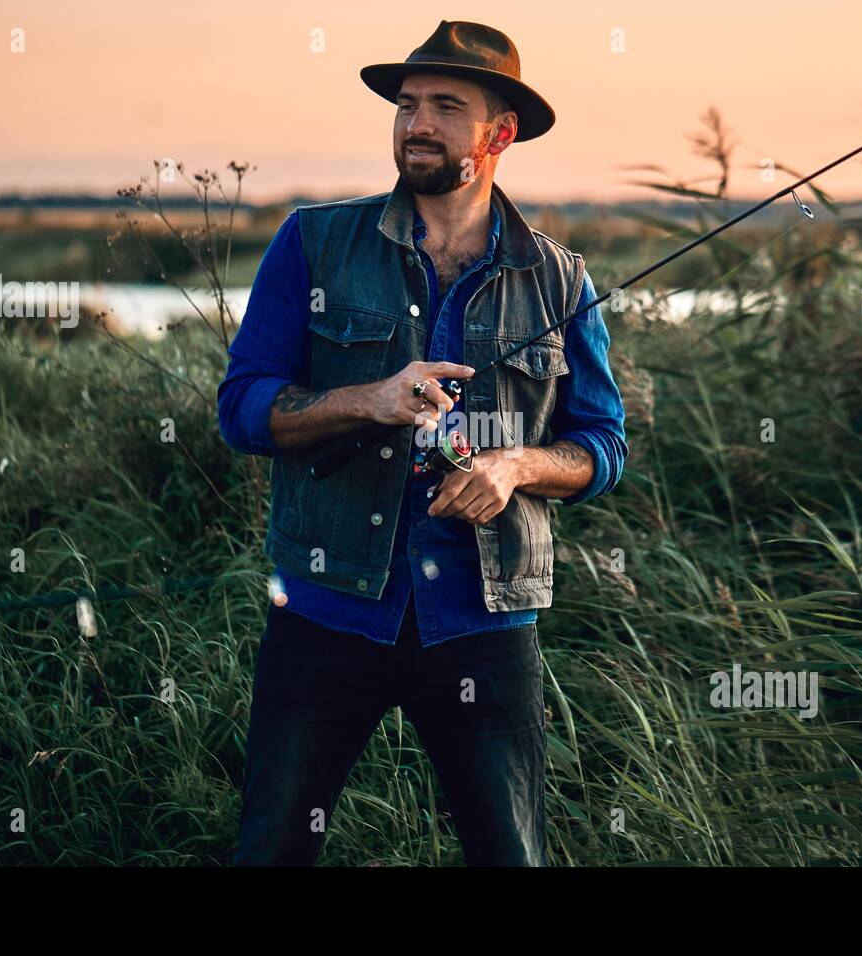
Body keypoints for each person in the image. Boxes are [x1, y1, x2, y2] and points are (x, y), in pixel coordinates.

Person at [218, 20, 627, 866]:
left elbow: (602, 444)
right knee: (272, 850)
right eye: (407, 105)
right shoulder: (313, 243)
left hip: (485, 620)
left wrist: (516, 467)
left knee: (509, 855)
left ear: (499, 134)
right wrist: (365, 401)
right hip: (327, 611)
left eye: (446, 106)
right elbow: (243, 409)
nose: (418, 124)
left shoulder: (562, 279)